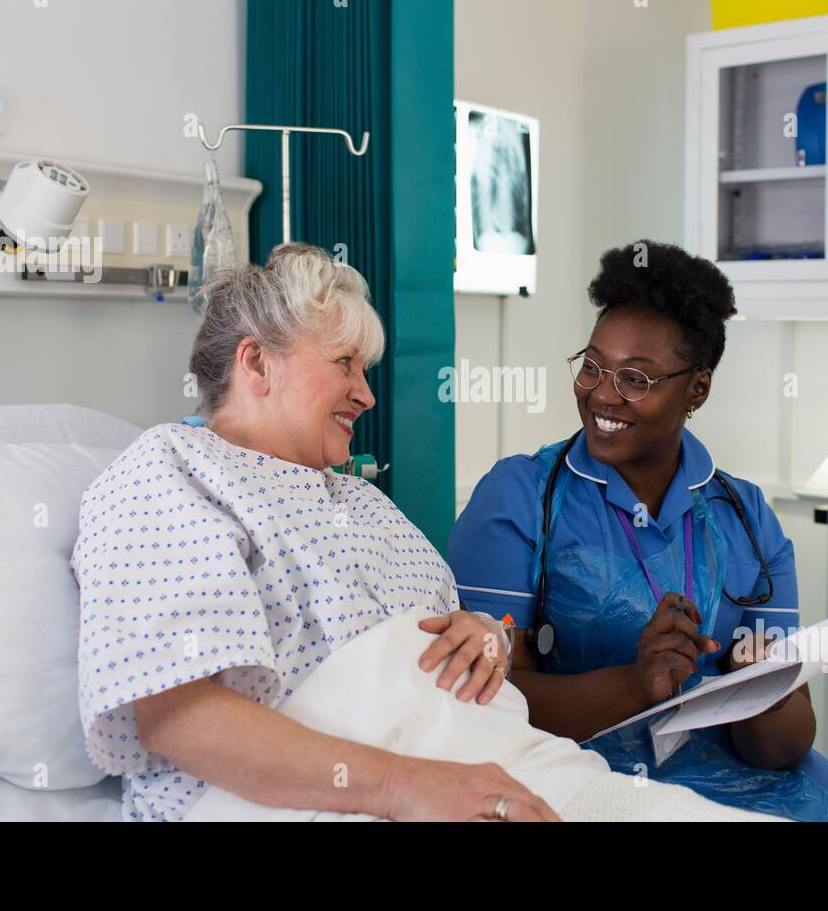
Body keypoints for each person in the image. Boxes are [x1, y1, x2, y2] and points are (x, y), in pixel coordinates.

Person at [70, 242, 781, 822]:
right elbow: (179, 721)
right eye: (345, 364)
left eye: (366, 369)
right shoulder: (173, 475)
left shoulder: (362, 502)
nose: (367, 393)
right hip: (318, 793)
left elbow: (456, 651)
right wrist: (410, 785)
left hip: (496, 764)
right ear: (257, 363)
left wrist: (483, 642)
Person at [447, 240, 828, 821]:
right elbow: (481, 701)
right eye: (592, 366)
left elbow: (782, 748)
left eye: (636, 378)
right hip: (580, 771)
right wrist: (636, 686)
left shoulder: (746, 516)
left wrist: (760, 689)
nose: (603, 393)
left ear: (697, 389)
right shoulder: (521, 497)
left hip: (734, 773)